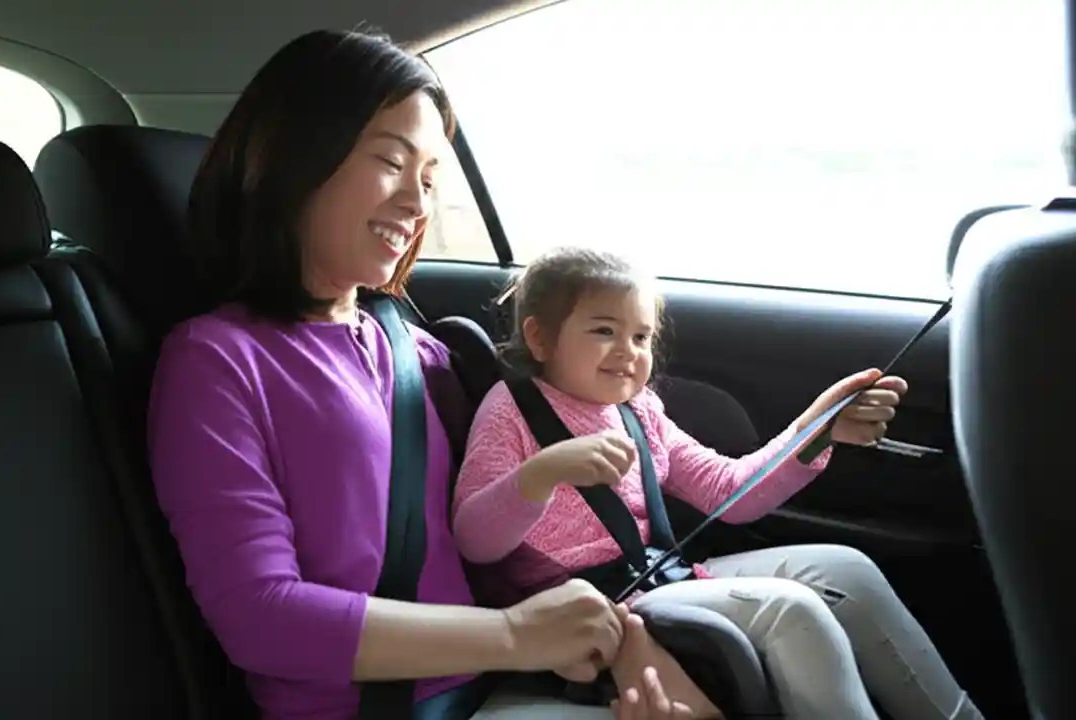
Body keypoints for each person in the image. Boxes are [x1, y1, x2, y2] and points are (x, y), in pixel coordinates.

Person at [146, 28, 691, 720]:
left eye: (429, 178)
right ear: (295, 159)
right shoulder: (216, 361)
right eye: (391, 162)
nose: (417, 203)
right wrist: (513, 636)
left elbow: (491, 533)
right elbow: (260, 616)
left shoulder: (419, 351)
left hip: (505, 678)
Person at [451, 247, 984, 720]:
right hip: (588, 607)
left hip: (656, 573)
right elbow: (475, 539)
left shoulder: (639, 410)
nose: (628, 351)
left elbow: (726, 492)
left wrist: (813, 433)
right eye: (603, 331)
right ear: (540, 338)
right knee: (791, 611)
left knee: (848, 570)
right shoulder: (511, 412)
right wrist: (540, 475)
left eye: (641, 336)